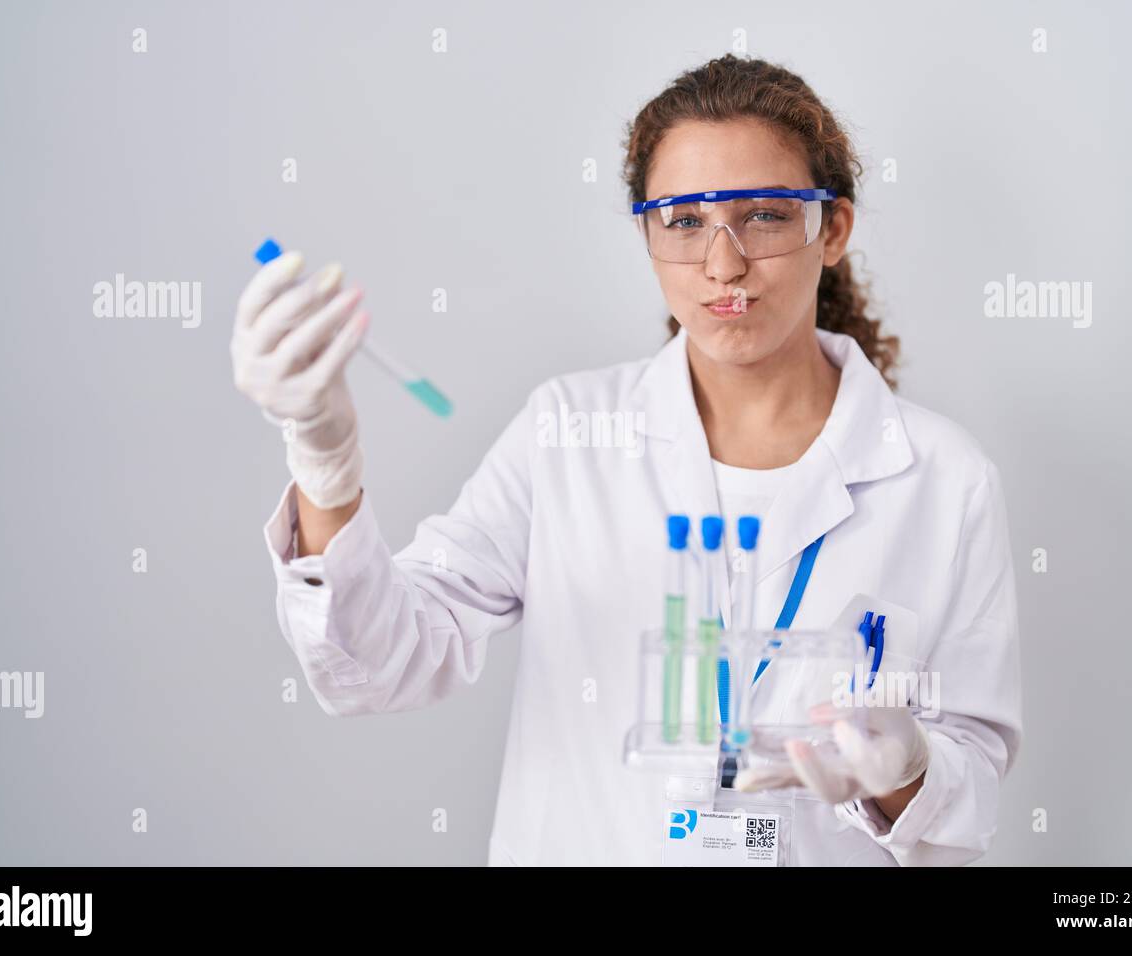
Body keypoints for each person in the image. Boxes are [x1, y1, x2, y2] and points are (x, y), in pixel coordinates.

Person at [229, 54, 1022, 866]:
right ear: (646, 233)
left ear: (834, 230)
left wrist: (908, 768)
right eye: (683, 221)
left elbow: (975, 785)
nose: (724, 265)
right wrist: (325, 462)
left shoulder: (944, 477)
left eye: (766, 216)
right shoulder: (567, 434)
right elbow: (381, 663)